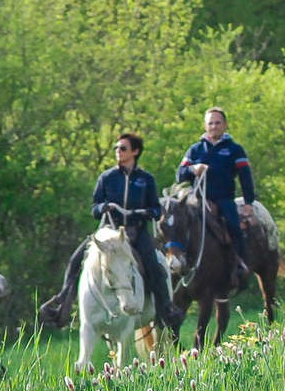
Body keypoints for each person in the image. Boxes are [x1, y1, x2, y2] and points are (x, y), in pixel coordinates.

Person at [38, 133, 182, 330]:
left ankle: (166, 309)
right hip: (108, 233)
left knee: (154, 266)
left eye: (123, 148)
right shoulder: (107, 177)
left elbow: (157, 210)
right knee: (75, 260)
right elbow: (94, 208)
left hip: (137, 233)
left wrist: (144, 212)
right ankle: (62, 305)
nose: (118, 152)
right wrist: (102, 208)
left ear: (135, 152)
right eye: (116, 148)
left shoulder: (146, 179)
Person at [176, 107, 256, 288]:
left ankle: (241, 266)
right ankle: (179, 265)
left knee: (234, 226)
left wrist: (249, 202)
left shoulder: (234, 150)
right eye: (210, 123)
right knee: (178, 225)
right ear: (205, 126)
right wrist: (192, 169)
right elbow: (179, 175)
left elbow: (245, 176)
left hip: (224, 199)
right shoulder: (195, 150)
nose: (214, 126)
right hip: (198, 200)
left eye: (217, 122)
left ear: (225, 125)